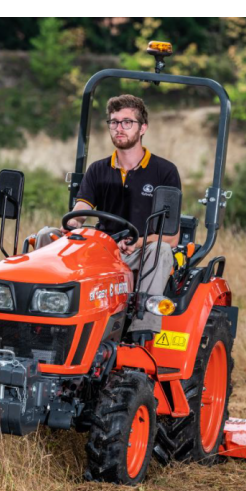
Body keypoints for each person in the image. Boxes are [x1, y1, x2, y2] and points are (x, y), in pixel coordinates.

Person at [67, 94, 181, 340]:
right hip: (103, 250)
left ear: (143, 128)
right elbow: (81, 209)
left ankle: (143, 325)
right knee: (47, 236)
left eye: (127, 122)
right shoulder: (98, 169)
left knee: (160, 250)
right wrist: (73, 223)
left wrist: (136, 243)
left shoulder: (164, 171)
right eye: (114, 122)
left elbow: (172, 237)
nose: (119, 128)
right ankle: (49, 315)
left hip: (138, 252)